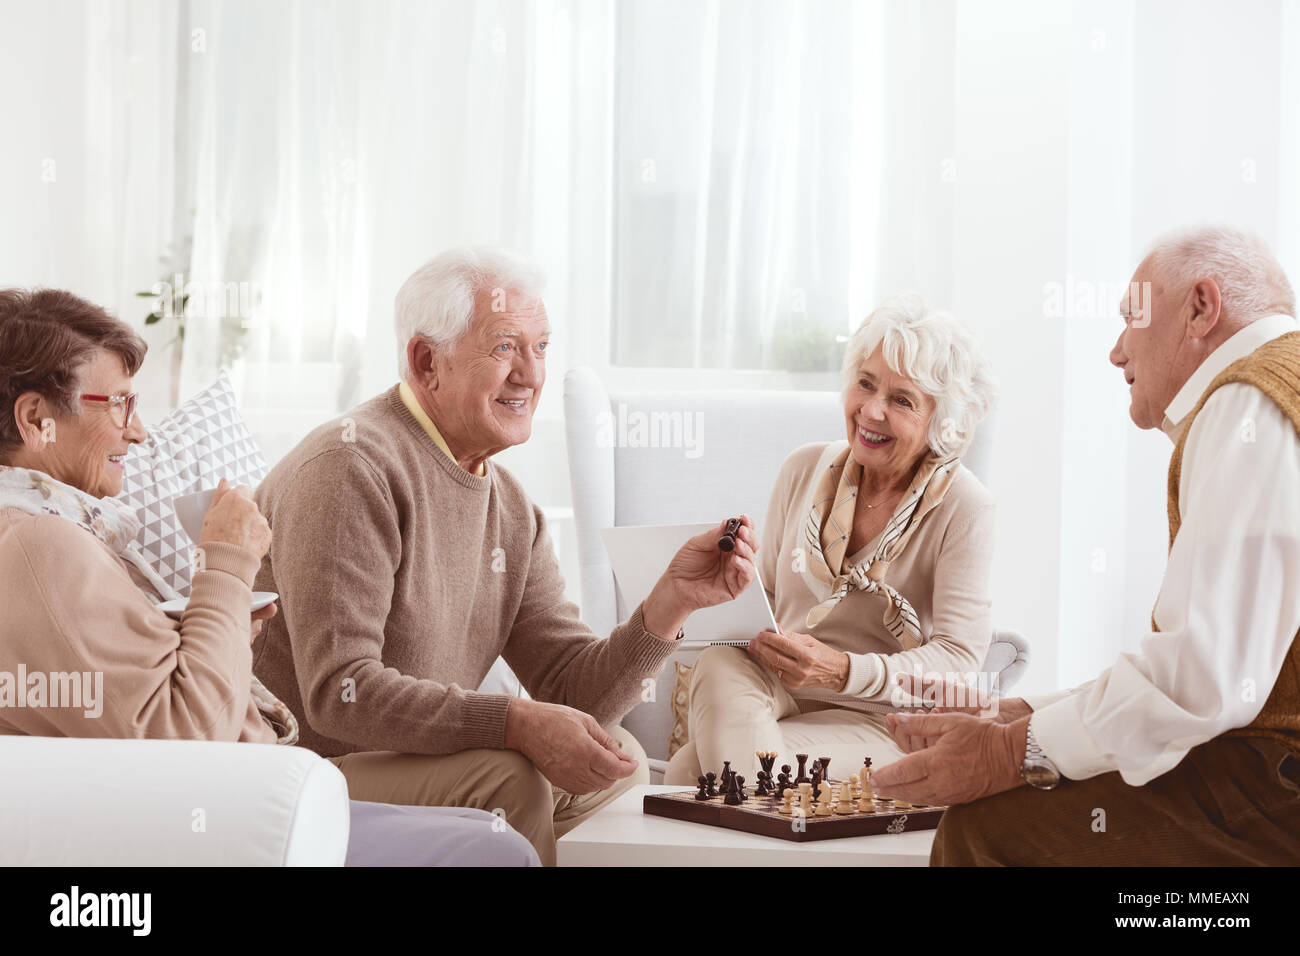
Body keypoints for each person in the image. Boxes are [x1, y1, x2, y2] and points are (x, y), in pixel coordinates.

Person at [251, 247, 757, 866]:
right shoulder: (351, 467)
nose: (531, 375)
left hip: (409, 762)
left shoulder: (511, 507)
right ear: (426, 361)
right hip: (307, 773)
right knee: (507, 778)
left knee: (612, 760)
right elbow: (342, 691)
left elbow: (574, 691)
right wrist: (514, 722)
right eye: (504, 348)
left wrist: (667, 606)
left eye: (540, 347)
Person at [0, 288, 540, 866]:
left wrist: (227, 621)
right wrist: (226, 564)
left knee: (490, 821)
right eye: (120, 406)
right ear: (37, 419)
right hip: (233, 814)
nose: (139, 433)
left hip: (247, 794)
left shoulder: (55, 532)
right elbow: (189, 743)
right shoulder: (40, 543)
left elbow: (148, 703)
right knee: (493, 847)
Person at [873, 226, 1300, 865]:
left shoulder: (1247, 403)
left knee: (987, 829)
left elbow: (1203, 681)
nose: (1116, 351)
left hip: (1272, 792)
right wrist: (1027, 715)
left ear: (1202, 308)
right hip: (1267, 776)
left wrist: (1008, 752)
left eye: (1131, 318)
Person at [665, 293, 999, 786]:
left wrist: (842, 671)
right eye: (865, 384)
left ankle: (752, 798)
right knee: (718, 664)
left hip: (880, 717)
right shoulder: (804, 468)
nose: (871, 411)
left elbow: (957, 663)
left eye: (901, 400)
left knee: (690, 772)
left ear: (942, 423)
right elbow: (772, 602)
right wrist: (730, 592)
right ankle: (763, 803)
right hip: (774, 692)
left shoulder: (964, 507)